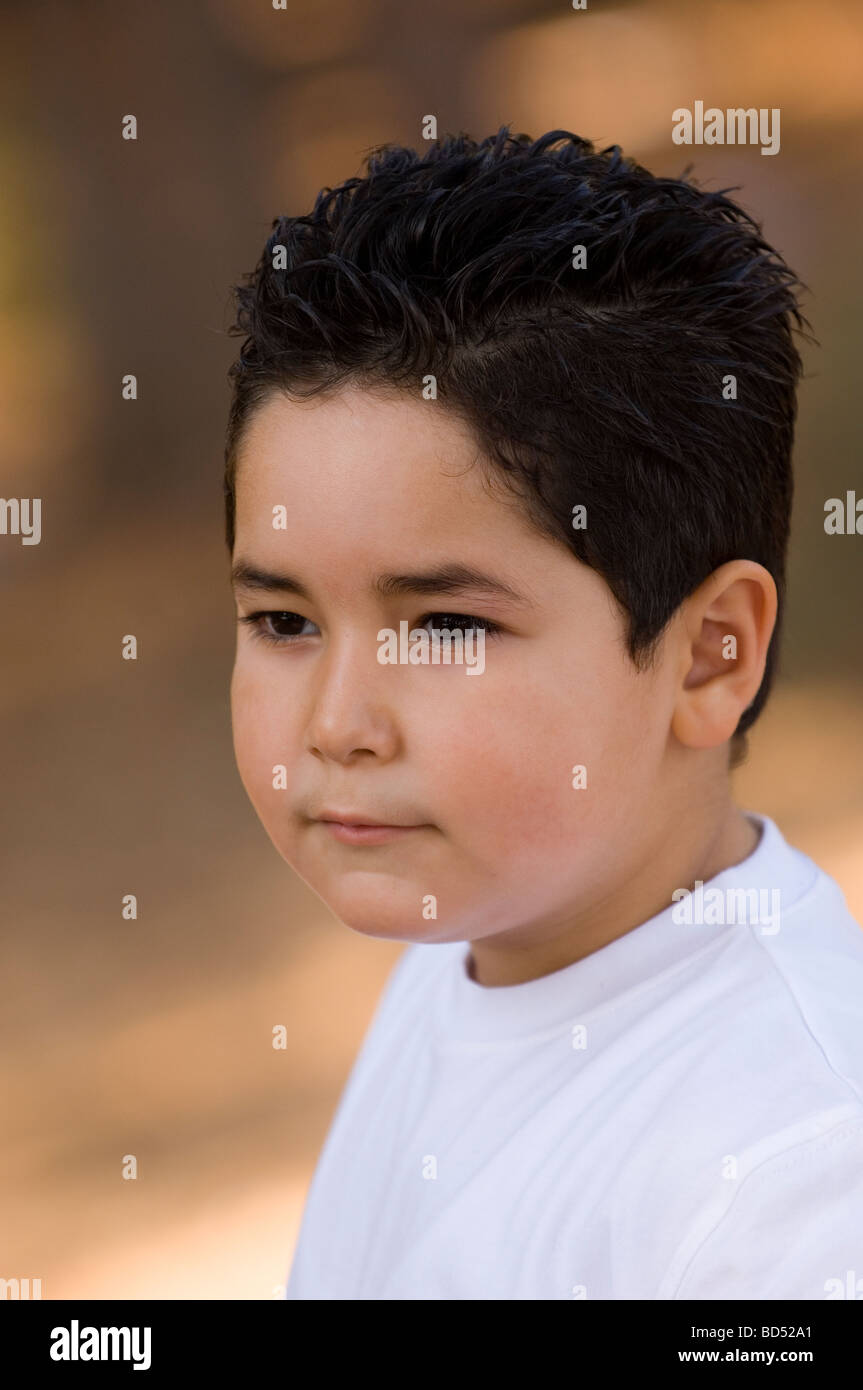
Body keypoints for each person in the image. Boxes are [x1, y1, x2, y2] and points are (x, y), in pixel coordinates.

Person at [224, 127, 863, 1299]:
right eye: (283, 621)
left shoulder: (794, 1184)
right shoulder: (477, 935)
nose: (336, 723)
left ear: (707, 654)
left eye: (448, 628)